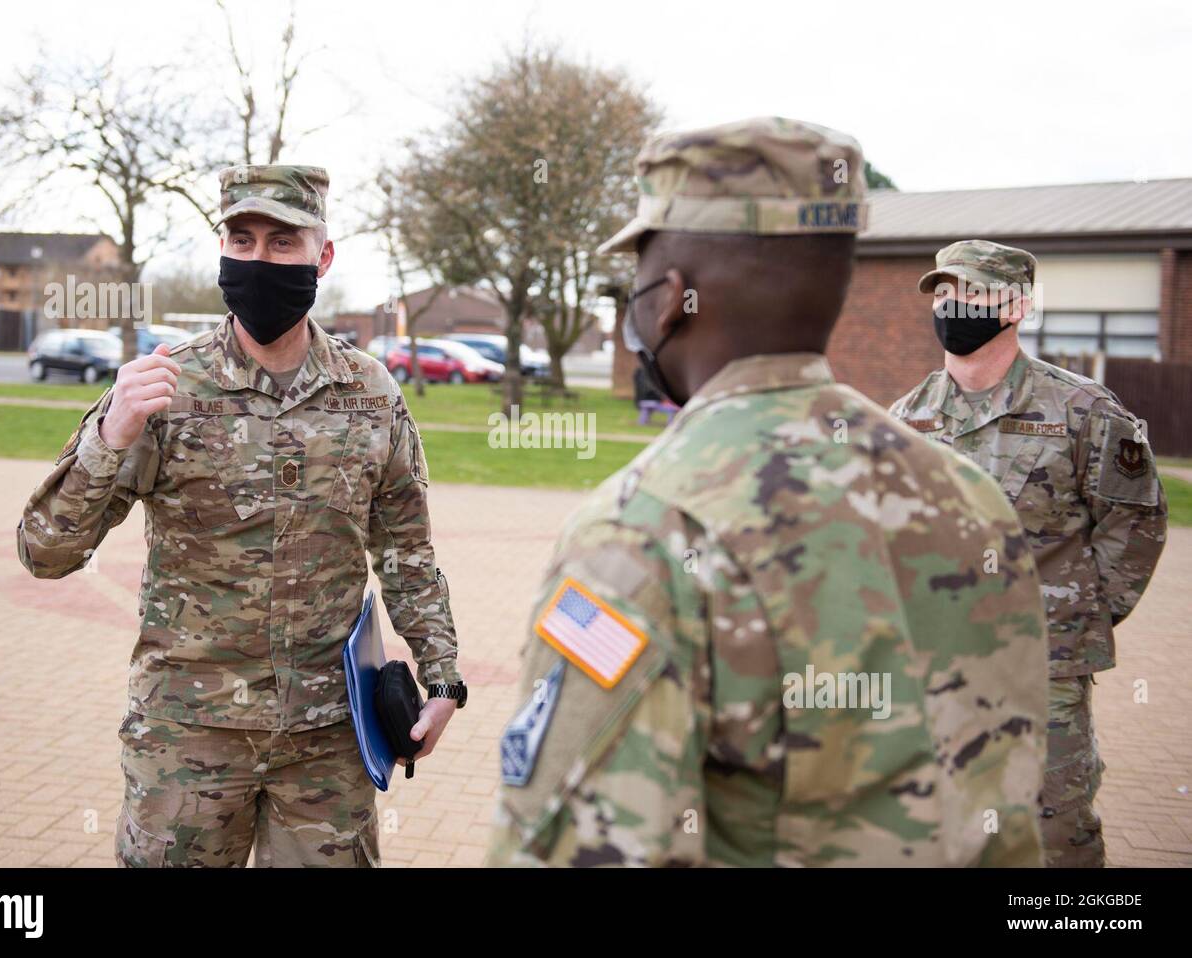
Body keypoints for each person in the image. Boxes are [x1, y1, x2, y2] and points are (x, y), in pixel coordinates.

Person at [487, 117, 1049, 867]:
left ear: (672, 298)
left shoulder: (647, 533)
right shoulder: (971, 497)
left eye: (639, 277)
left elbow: (579, 849)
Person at [17, 164, 468, 867]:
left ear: (322, 256)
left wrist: (442, 678)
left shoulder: (369, 392)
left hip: (326, 743)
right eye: (242, 239)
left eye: (282, 242)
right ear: (223, 249)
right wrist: (110, 438)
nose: (259, 259)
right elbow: (45, 552)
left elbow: (408, 553)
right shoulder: (163, 387)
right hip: (187, 739)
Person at [890, 239, 1168, 867]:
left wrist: (1074, 616)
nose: (954, 306)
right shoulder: (907, 418)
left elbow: (1136, 522)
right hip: (935, 665)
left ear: (1015, 307)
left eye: (972, 293)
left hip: (1043, 668)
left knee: (1054, 830)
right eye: (944, 293)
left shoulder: (1082, 411)